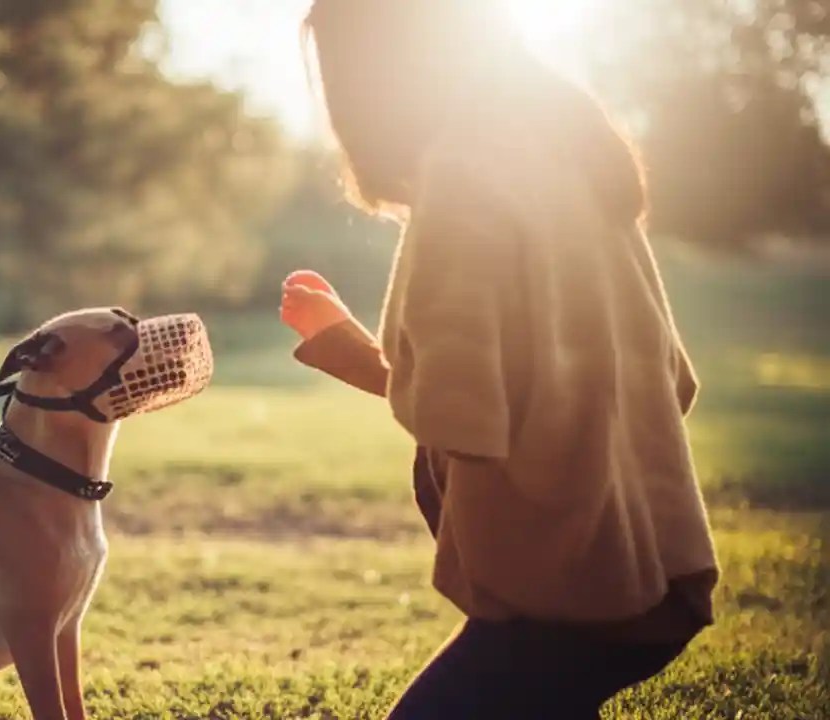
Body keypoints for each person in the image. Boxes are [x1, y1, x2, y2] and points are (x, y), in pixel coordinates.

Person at [279, 1, 720, 718]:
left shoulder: (462, 179)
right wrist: (347, 349)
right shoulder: (573, 157)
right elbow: (673, 381)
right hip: (658, 575)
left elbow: (460, 412)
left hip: (564, 597)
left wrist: (359, 356)